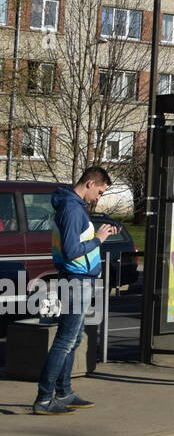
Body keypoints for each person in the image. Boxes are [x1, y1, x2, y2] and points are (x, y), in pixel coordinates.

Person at [33, 167, 116, 416]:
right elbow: (71, 250)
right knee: (65, 341)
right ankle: (45, 398)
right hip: (75, 281)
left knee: (73, 339)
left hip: (79, 280)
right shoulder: (71, 208)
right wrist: (99, 239)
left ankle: (64, 392)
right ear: (89, 183)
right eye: (100, 192)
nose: (98, 197)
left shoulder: (74, 207)